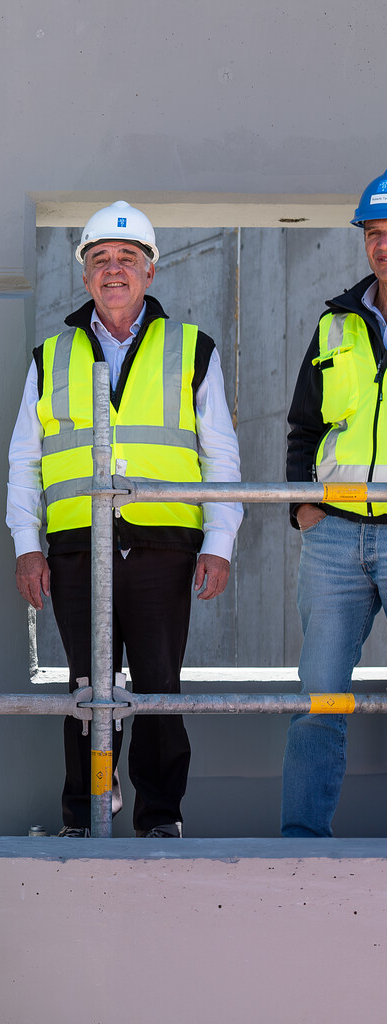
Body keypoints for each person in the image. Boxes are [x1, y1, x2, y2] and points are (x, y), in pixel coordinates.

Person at [7, 201, 243, 838]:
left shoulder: (193, 349)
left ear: (151, 273)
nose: (114, 271)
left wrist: (220, 540)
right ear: (84, 277)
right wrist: (28, 546)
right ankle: (86, 814)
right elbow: (23, 462)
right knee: (89, 689)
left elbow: (222, 454)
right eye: (100, 260)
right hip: (77, 546)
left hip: (164, 544)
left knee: (160, 686)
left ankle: (160, 818)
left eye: (127, 260)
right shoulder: (49, 356)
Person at [281, 167, 387, 837]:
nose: (382, 246)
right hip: (335, 537)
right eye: (374, 234)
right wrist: (300, 505)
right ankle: (301, 843)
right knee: (321, 698)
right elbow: (303, 427)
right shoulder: (337, 326)